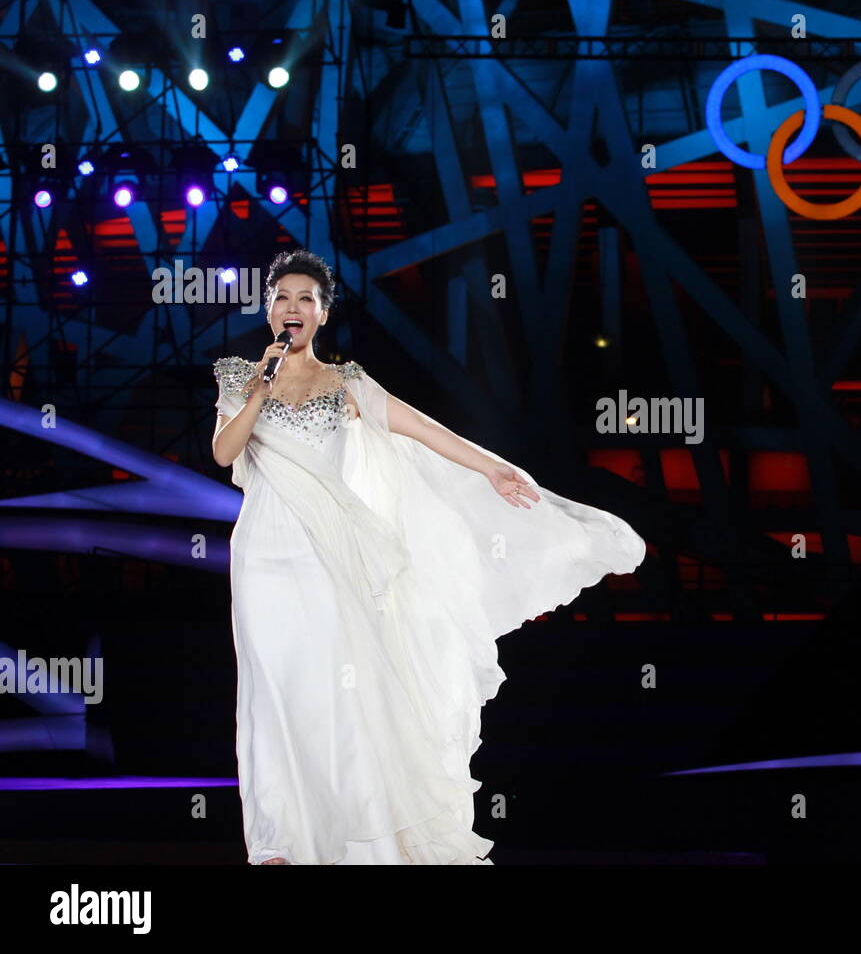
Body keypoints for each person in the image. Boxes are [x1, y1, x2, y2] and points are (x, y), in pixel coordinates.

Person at [211, 249, 646, 864]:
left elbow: (423, 430)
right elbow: (226, 453)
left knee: (334, 692)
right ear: (268, 308)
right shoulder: (236, 377)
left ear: (323, 313)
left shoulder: (347, 385)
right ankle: (282, 841)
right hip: (263, 559)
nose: (293, 308)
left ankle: (350, 839)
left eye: (307, 298)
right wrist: (258, 388)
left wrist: (493, 468)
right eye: (283, 297)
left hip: (332, 559)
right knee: (273, 691)